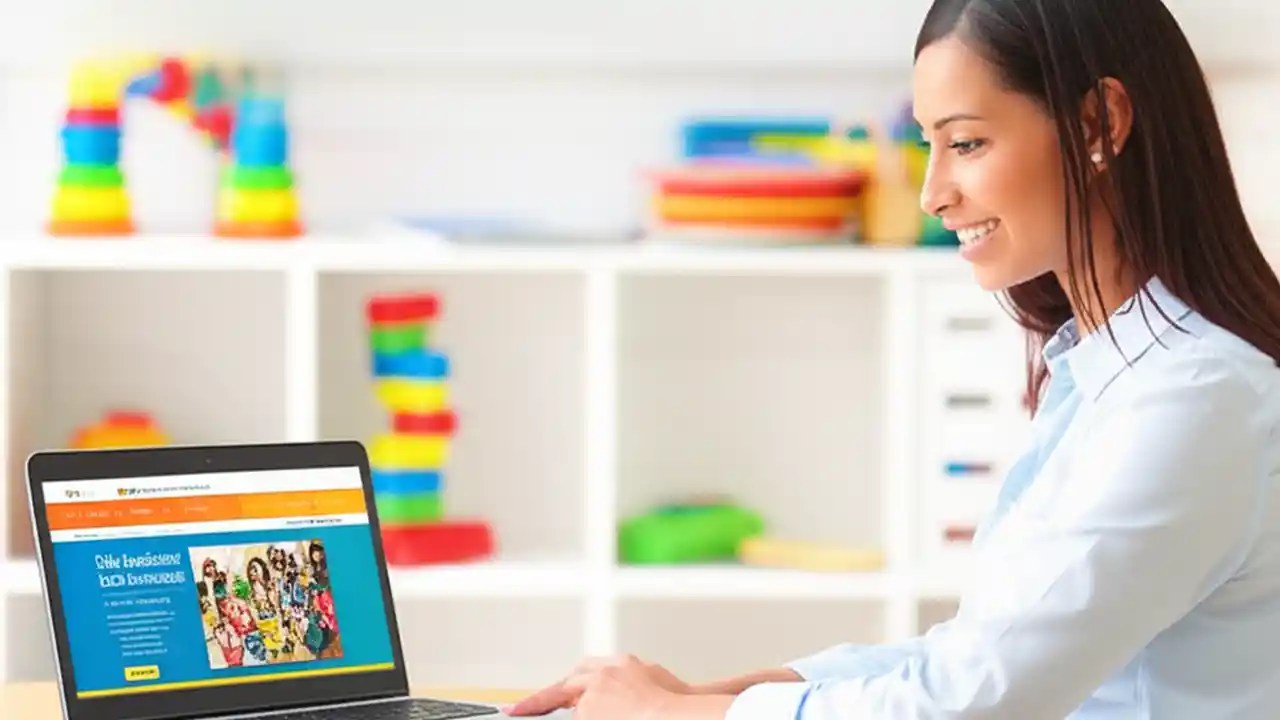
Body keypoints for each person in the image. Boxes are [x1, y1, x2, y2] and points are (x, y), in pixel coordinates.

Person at [506, 1, 1280, 717]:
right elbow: (974, 654)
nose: (933, 193)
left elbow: (972, 701)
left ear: (1096, 125)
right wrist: (702, 697)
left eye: (967, 143)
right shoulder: (1110, 371)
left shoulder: (1196, 398)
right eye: (928, 145)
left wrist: (683, 715)